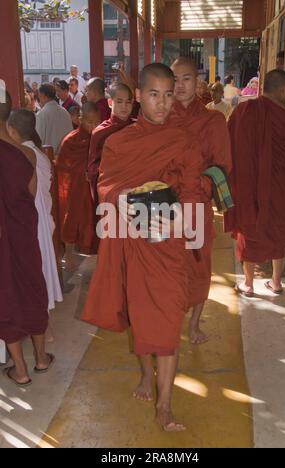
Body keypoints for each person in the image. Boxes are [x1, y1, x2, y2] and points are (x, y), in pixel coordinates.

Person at [82, 63, 202, 432]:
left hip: (170, 243)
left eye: (169, 95)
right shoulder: (118, 142)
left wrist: (184, 221)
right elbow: (104, 188)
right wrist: (128, 198)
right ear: (138, 97)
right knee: (141, 317)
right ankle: (145, 374)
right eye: (154, 94)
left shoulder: (184, 140)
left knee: (167, 323)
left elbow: (195, 190)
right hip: (135, 239)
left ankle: (165, 404)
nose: (163, 103)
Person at [171, 56, 232, 345]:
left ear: (197, 83)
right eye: (175, 79)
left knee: (199, 263)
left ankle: (194, 323)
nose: (180, 85)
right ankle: (168, 318)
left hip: (196, 204)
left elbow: (222, 165)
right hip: (165, 205)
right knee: (167, 264)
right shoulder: (160, 117)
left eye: (186, 78)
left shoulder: (212, 120)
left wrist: (198, 187)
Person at [225, 69, 285, 297]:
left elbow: (229, 149)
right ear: (284, 90)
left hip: (248, 187)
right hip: (278, 185)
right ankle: (276, 282)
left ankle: (248, 284)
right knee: (278, 228)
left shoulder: (242, 111)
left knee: (249, 228)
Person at [0, 91, 53, 386]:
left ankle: (20, 369)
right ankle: (42, 358)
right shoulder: (25, 154)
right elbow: (30, 196)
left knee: (5, 297)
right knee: (32, 288)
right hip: (23, 235)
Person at [7, 108, 63, 313]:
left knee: (34, 273)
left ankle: (38, 318)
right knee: (41, 271)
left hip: (33, 222)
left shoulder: (23, 155)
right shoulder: (40, 154)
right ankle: (42, 319)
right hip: (43, 220)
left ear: (11, 130)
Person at [56, 103, 101, 270]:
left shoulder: (102, 138)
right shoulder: (71, 141)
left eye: (97, 122)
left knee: (95, 221)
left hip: (94, 189)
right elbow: (62, 167)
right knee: (72, 219)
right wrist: (81, 173)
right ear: (80, 119)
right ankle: (68, 253)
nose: (94, 126)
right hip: (76, 188)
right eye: (90, 122)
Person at [88, 83, 135, 204]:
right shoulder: (100, 132)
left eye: (128, 102)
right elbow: (93, 169)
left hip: (136, 187)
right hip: (112, 190)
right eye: (119, 102)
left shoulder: (138, 128)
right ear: (110, 102)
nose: (124, 106)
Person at [36, 83, 73, 154]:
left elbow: (39, 140)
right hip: (65, 155)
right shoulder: (65, 112)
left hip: (49, 157)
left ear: (43, 95)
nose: (39, 100)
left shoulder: (41, 114)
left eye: (39, 97)